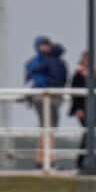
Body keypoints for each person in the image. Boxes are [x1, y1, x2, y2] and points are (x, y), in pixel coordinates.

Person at [23, 36, 67, 167]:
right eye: (43, 45)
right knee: (48, 127)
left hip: (52, 95)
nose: (46, 47)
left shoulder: (45, 61)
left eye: (47, 44)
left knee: (48, 127)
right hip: (44, 96)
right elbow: (35, 78)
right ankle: (47, 159)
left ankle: (43, 158)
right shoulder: (40, 61)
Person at [69, 50, 96, 172]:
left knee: (90, 134)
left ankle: (87, 160)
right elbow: (74, 93)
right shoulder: (78, 74)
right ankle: (85, 160)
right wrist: (78, 109)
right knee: (89, 133)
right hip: (83, 109)